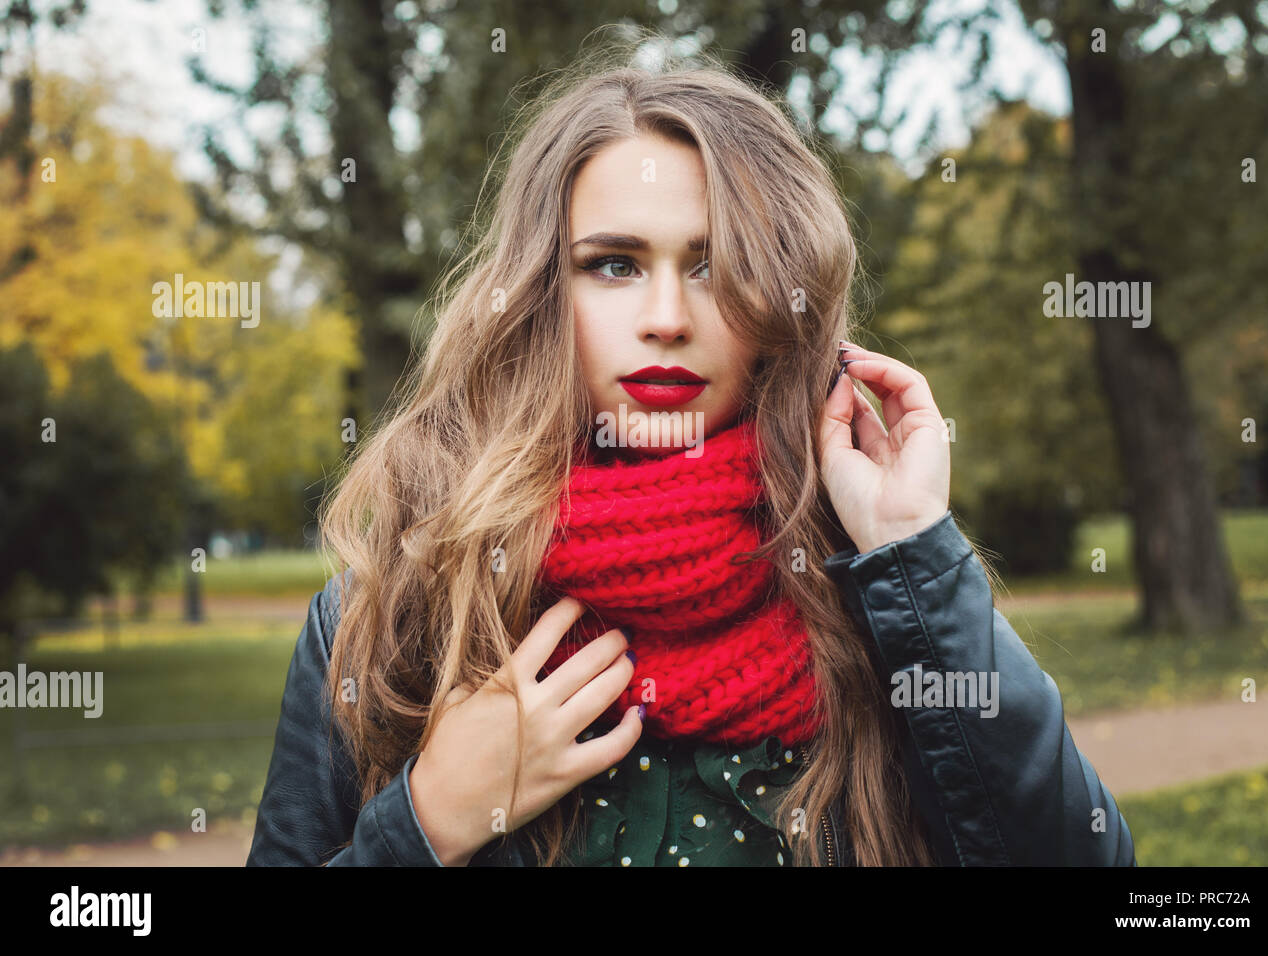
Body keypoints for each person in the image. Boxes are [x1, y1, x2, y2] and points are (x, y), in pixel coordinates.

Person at [246, 38, 1135, 868]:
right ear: (541, 294)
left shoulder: (874, 588)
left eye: (712, 265)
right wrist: (427, 819)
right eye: (614, 264)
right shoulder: (394, 602)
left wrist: (916, 551)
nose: (666, 317)